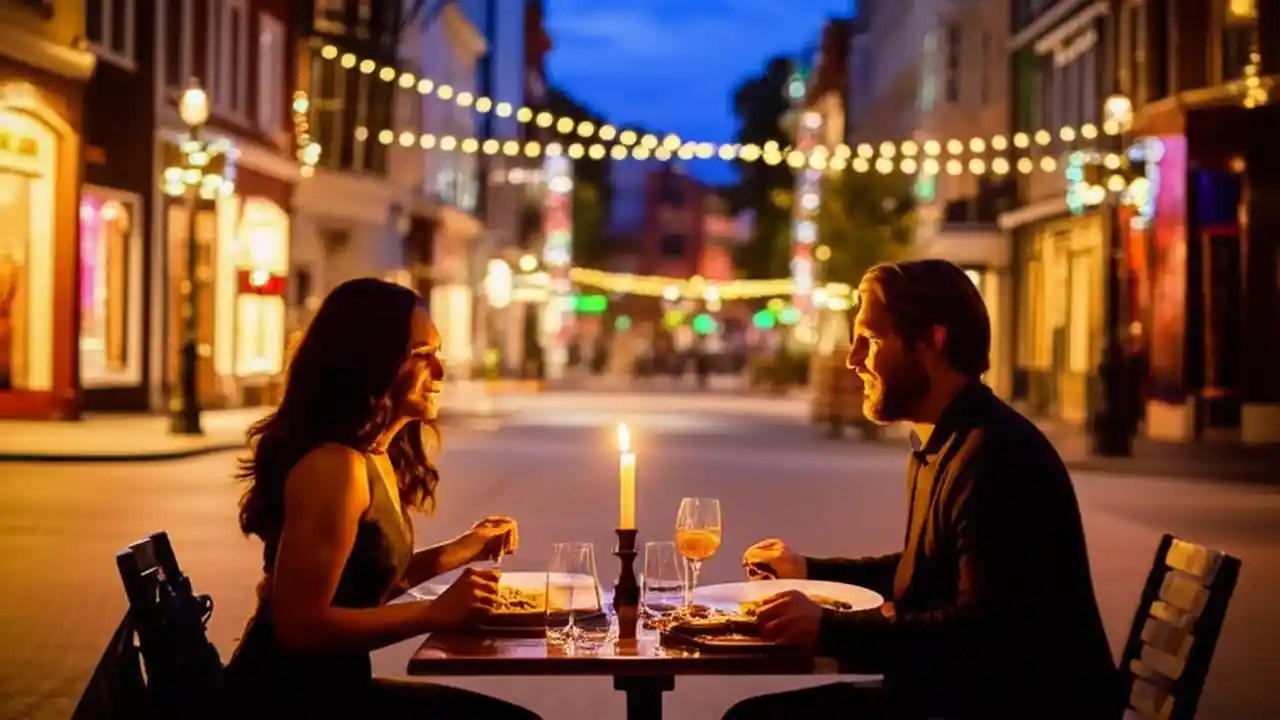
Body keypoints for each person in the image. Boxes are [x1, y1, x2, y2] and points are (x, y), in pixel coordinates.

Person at [729, 260, 1120, 720]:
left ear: (932, 341)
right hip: (959, 693)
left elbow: (981, 631)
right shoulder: (948, 442)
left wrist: (829, 629)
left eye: (871, 341)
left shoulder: (996, 457)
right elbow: (922, 574)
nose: (854, 359)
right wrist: (808, 570)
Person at [223, 278, 539, 718]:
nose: (441, 373)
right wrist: (435, 613)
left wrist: (458, 551)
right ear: (370, 362)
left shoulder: (373, 456)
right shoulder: (334, 467)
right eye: (422, 356)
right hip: (286, 701)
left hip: (330, 692)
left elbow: (357, 588)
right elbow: (300, 625)